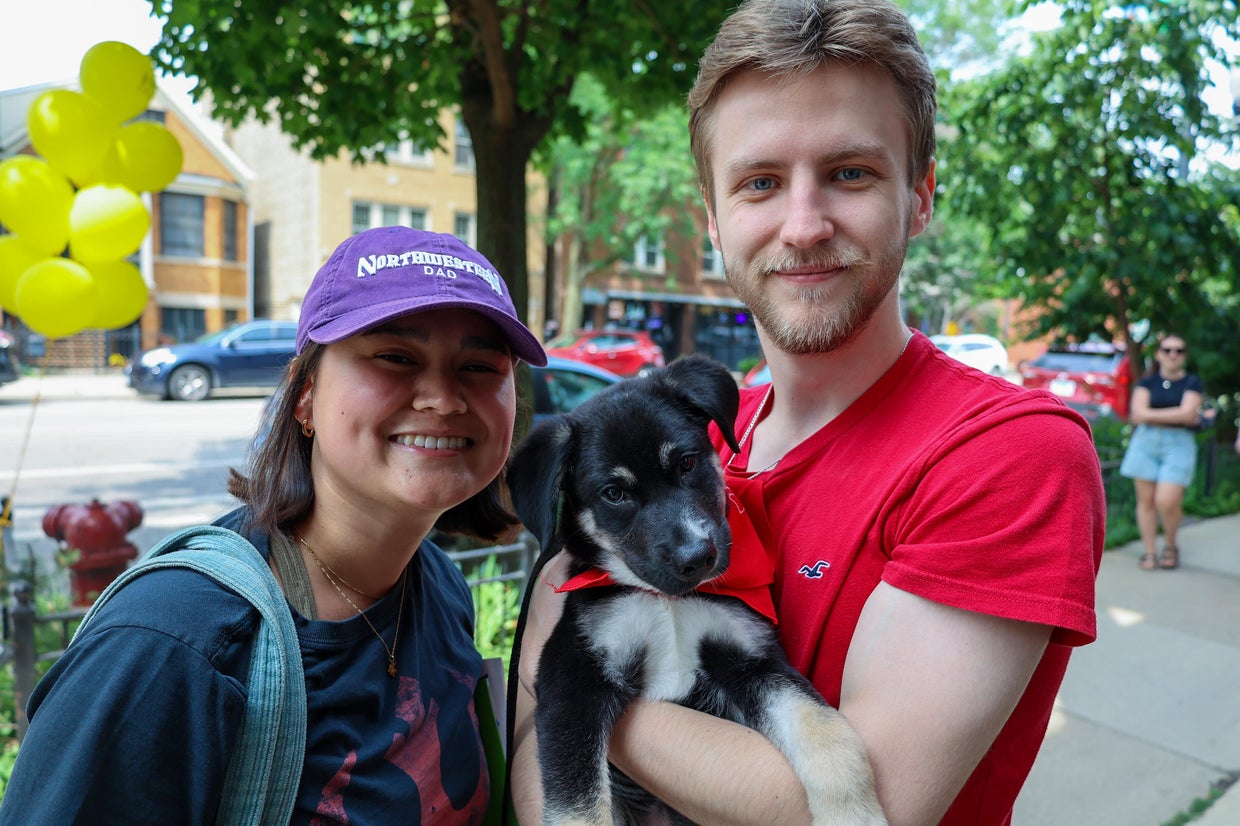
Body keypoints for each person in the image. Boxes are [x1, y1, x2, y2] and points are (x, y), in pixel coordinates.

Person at [510, 2, 1105, 824]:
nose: (803, 225)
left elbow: (871, 807)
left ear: (921, 196)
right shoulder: (708, 427)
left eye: (850, 173)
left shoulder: (1005, 454)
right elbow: (525, 748)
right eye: (760, 182)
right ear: (715, 219)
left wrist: (569, 685)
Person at [1, 226, 547, 824]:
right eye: (395, 356)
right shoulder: (170, 648)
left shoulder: (435, 584)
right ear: (304, 396)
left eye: (479, 366)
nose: (444, 398)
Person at [1119, 334, 1206, 571]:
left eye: (1178, 350)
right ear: (1158, 354)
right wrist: (1176, 414)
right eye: (1167, 350)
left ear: (1184, 355)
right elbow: (1137, 414)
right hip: (1146, 442)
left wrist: (1151, 415)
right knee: (1145, 501)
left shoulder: (1192, 382)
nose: (1173, 354)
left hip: (1179, 443)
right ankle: (1150, 551)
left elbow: (1188, 414)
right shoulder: (1147, 382)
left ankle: (1170, 544)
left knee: (1166, 500)